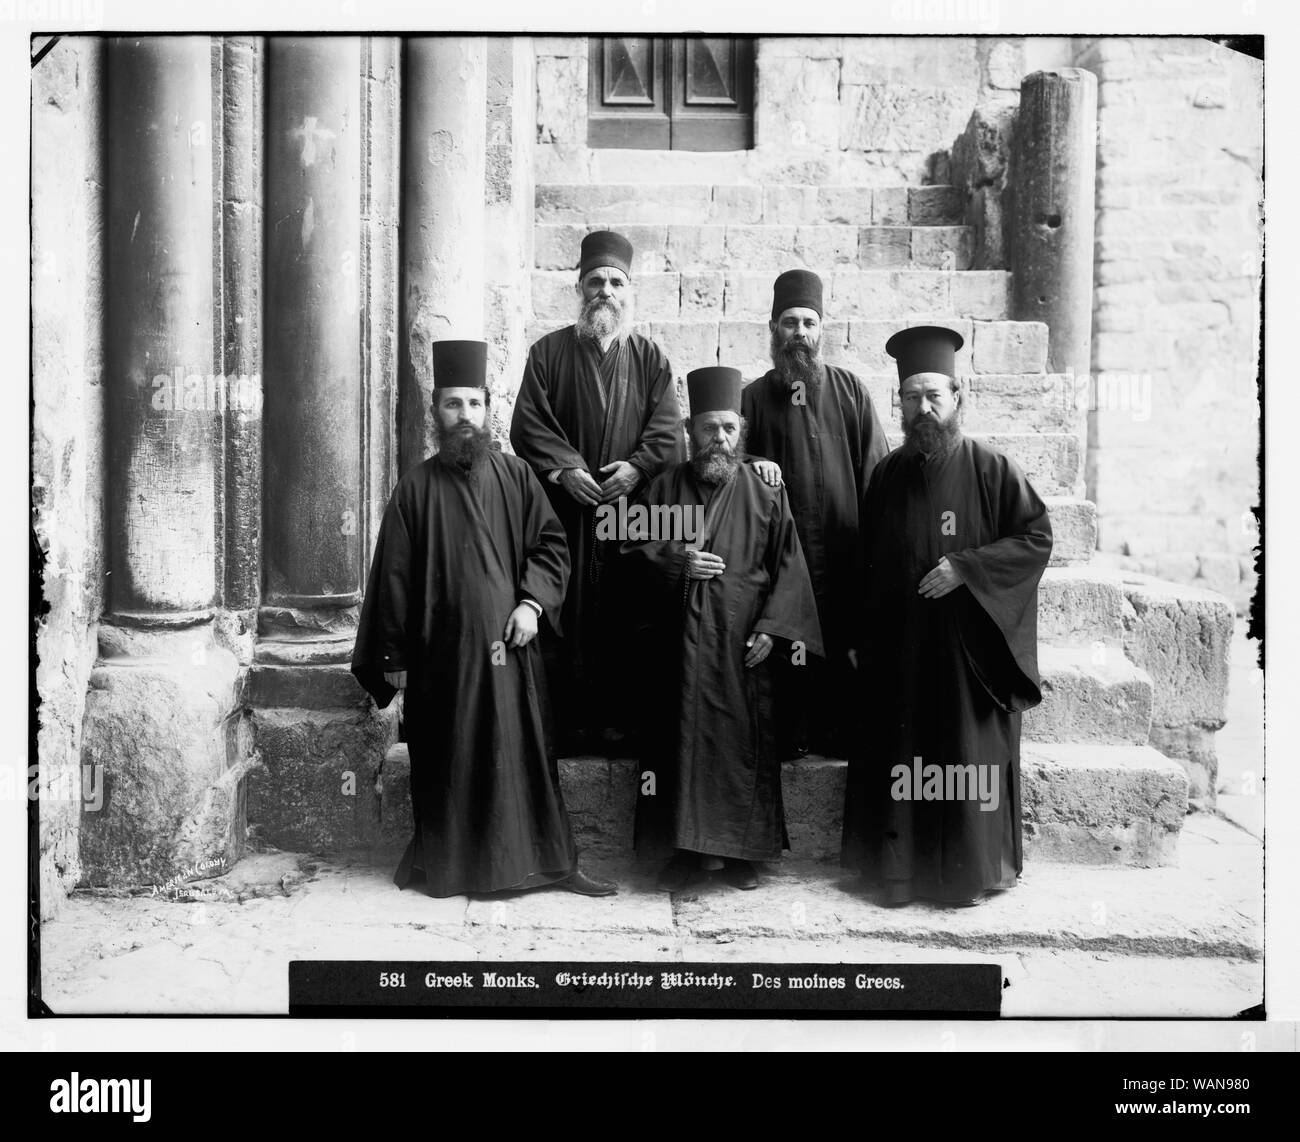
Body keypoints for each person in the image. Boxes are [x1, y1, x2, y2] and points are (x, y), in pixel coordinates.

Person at [351, 339, 616, 899]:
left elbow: (550, 545)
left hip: (513, 656)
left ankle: (549, 864)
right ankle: (459, 866)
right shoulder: (415, 489)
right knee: (454, 758)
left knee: (526, 758)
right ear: (436, 413)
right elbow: (393, 576)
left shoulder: (518, 476)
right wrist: (393, 658)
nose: (464, 416)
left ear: (488, 408)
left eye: (473, 404)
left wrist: (532, 603)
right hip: (442, 662)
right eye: (452, 405)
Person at [840, 325, 1053, 907]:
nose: (924, 407)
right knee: (902, 759)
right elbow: (868, 564)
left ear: (959, 397)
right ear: (899, 403)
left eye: (935, 395)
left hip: (968, 653)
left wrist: (966, 567)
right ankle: (899, 876)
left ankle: (965, 875)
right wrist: (861, 633)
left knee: (963, 756)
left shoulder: (992, 469)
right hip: (901, 651)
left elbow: (1035, 540)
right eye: (913, 397)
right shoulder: (885, 475)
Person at [621, 366, 823, 892]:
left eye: (729, 429)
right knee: (674, 749)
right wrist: (677, 561)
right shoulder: (662, 488)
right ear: (690, 431)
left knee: (741, 752)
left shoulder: (765, 489)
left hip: (741, 649)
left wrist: (775, 630)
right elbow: (629, 557)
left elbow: (789, 565)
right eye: (709, 428)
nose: (720, 439)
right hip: (678, 651)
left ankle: (742, 856)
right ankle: (680, 855)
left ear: (743, 431)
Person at [510, 230, 684, 754]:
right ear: (579, 288)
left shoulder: (651, 358)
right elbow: (528, 424)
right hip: (562, 514)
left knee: (624, 614)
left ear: (629, 291)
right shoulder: (547, 353)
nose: (605, 291)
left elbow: (669, 429)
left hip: (628, 517)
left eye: (615, 282)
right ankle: (563, 727)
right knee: (563, 612)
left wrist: (636, 469)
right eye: (595, 282)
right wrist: (564, 470)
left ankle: (619, 727)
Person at [741, 269, 888, 758]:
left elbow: (878, 472)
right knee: (791, 649)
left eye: (808, 322)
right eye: (789, 322)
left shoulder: (851, 391)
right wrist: (751, 462)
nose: (799, 331)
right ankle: (794, 737)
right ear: (773, 328)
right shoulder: (754, 398)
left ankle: (839, 733)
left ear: (822, 329)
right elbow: (727, 461)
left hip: (845, 550)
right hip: (783, 556)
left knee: (844, 640)